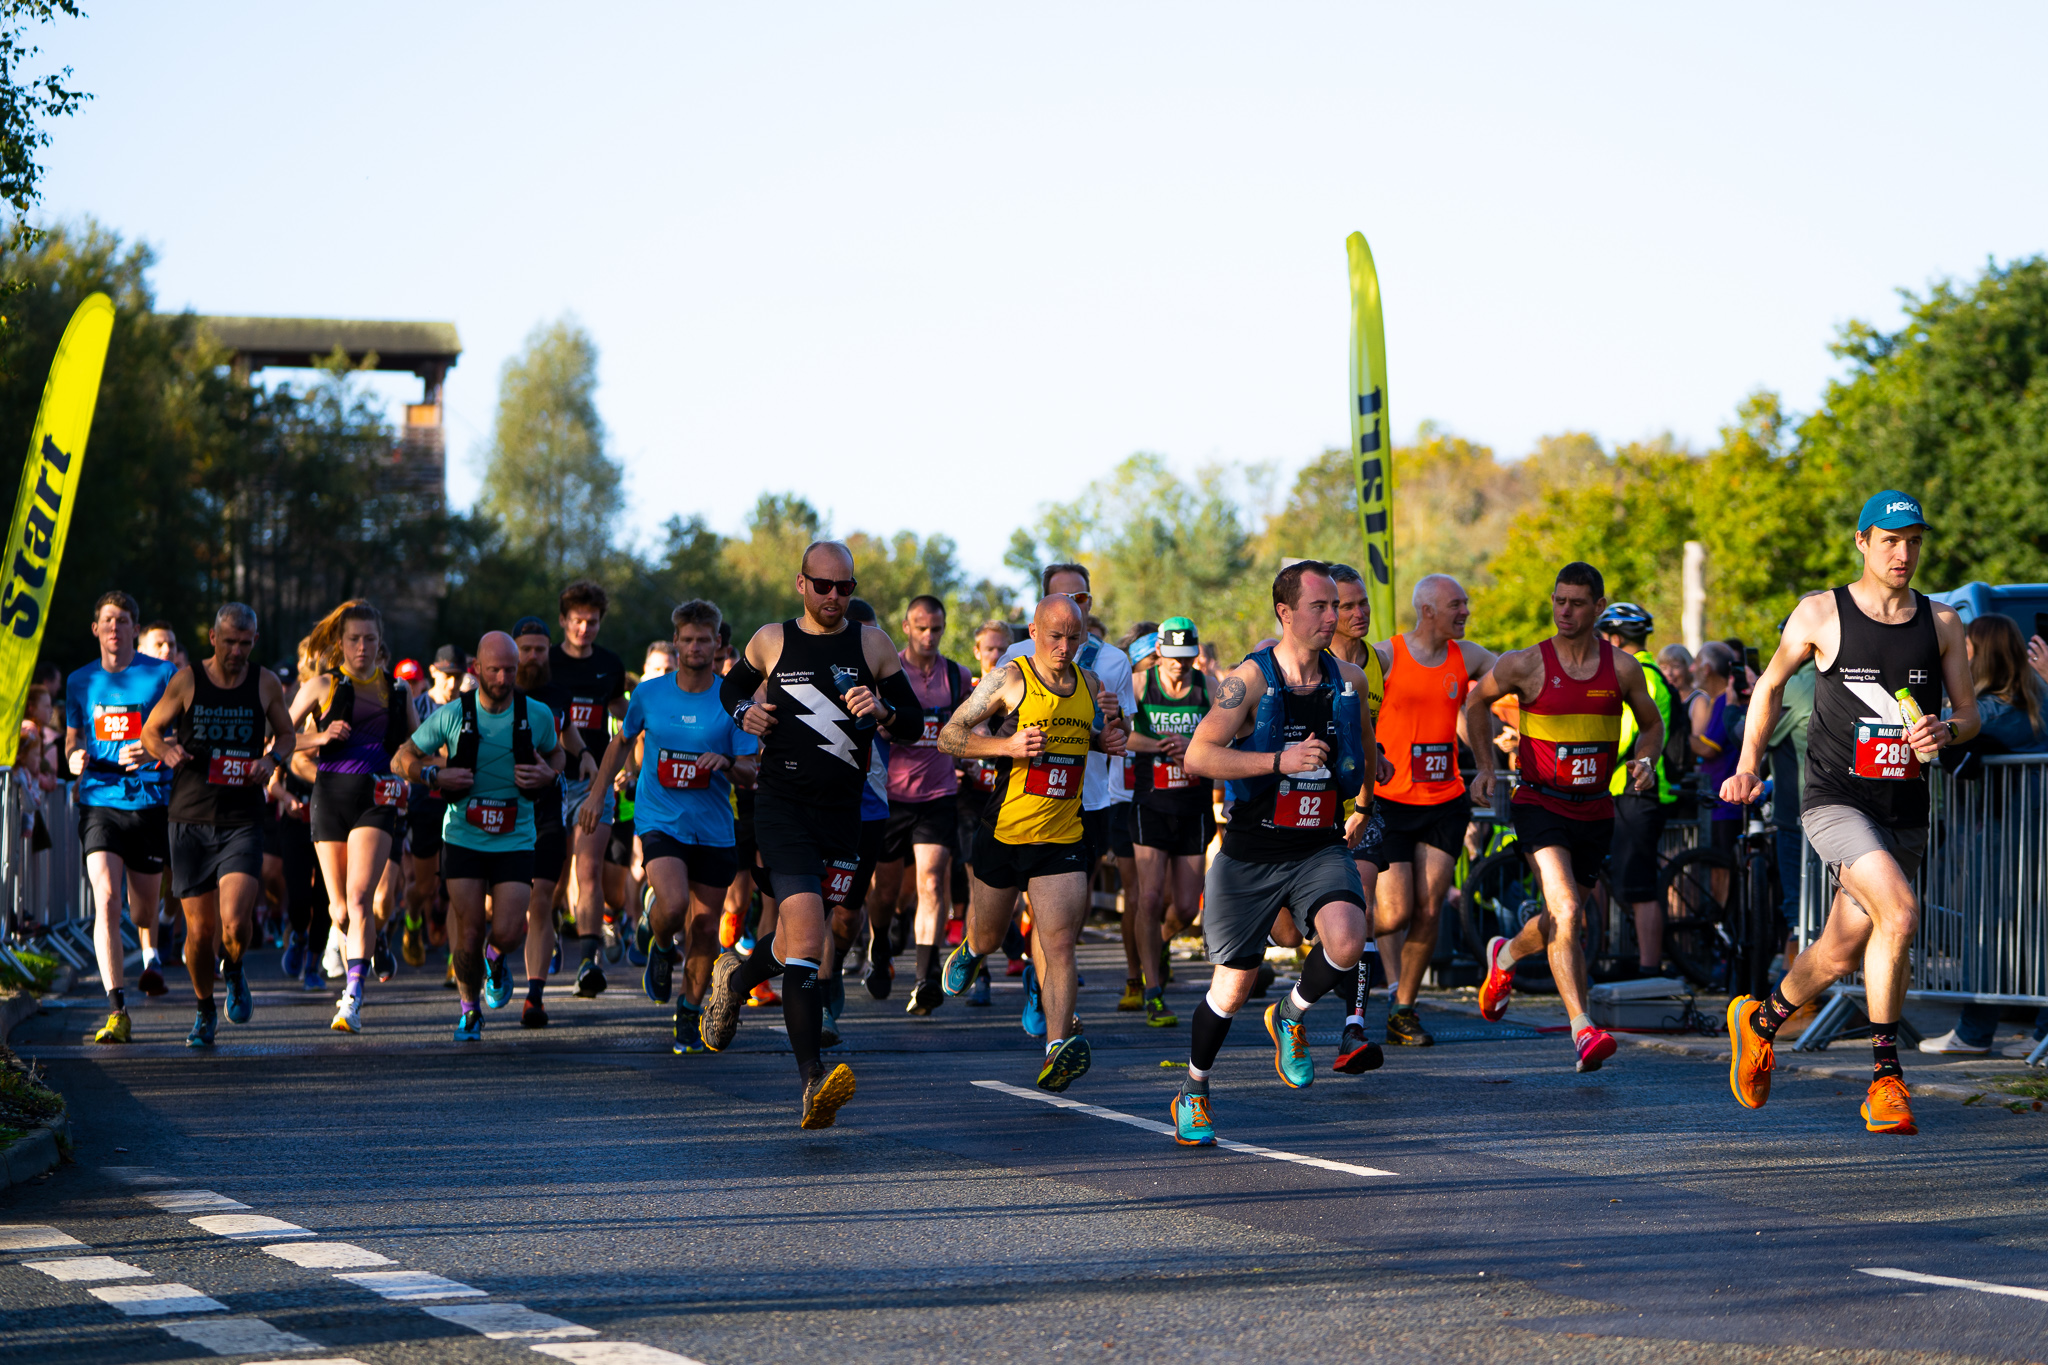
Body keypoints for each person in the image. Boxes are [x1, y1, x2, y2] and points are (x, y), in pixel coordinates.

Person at [1723, 493, 1979, 1134]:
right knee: (1901, 912)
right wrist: (1748, 762)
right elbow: (1771, 686)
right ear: (1862, 542)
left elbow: (1968, 716)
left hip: (1905, 808)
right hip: (1835, 801)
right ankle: (1887, 1078)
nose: (1904, 553)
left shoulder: (1942, 622)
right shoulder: (1819, 613)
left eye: (1914, 540)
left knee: (1840, 952)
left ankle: (1761, 1021)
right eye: (1890, 540)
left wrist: (1943, 734)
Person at [705, 540, 926, 1128]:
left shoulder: (872, 644)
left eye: (845, 588)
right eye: (823, 586)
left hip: (844, 813)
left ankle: (736, 976)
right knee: (805, 940)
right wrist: (741, 715)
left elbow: (913, 724)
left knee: (798, 942)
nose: (834, 598)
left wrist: (880, 709)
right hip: (782, 807)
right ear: (801, 584)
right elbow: (730, 689)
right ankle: (811, 1083)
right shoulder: (770, 639)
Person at [1162, 562, 1376, 1146]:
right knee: (1231, 988)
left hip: (1318, 844)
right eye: (1320, 607)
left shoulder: (1349, 679)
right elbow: (1199, 757)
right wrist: (1277, 762)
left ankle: (1291, 1014)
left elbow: (1367, 750)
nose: (1333, 617)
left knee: (1348, 938)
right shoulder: (1249, 680)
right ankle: (1194, 1088)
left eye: (1336, 605)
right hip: (1252, 849)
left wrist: (1364, 803)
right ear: (1285, 613)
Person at [1465, 562, 1664, 1073]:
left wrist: (1645, 761)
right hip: (1538, 803)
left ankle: (1505, 956)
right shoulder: (1525, 664)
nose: (1565, 611)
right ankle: (1582, 1029)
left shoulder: (1622, 669)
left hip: (1595, 808)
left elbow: (1652, 726)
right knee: (1570, 910)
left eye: (1576, 602)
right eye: (1558, 601)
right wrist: (1487, 766)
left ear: (1599, 607)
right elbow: (1475, 701)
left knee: (1560, 919)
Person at [937, 594, 1129, 1092]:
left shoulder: (1091, 684)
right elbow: (949, 736)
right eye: (1054, 636)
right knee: (989, 936)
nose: (1063, 647)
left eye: (1074, 638)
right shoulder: (1011, 678)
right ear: (1033, 630)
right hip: (1004, 831)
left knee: (1060, 944)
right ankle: (971, 951)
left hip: (1062, 836)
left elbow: (1082, 736)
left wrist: (1105, 740)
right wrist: (1005, 745)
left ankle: (1056, 1049)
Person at [584, 601, 756, 1055]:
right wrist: (598, 795)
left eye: (705, 639)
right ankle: (659, 940)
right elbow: (620, 746)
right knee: (675, 903)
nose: (696, 647)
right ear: (676, 641)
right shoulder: (649, 693)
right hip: (660, 819)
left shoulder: (732, 701)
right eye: (687, 639)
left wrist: (728, 762)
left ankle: (688, 1011)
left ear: (719, 644)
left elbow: (751, 770)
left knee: (704, 929)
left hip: (715, 827)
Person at [393, 631, 564, 1040]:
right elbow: (402, 758)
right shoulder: (454, 714)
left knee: (508, 930)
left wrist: (549, 773)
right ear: (477, 670)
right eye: (495, 670)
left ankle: (496, 958)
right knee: (468, 930)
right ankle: (469, 1009)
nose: (504, 678)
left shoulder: (535, 713)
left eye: (510, 669)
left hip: (516, 836)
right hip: (464, 835)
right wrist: (433, 774)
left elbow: (557, 753)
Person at [140, 603, 296, 1046]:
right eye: (229, 641)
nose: (237, 651)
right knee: (200, 931)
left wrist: (272, 759)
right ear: (213, 638)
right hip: (189, 818)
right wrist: (164, 751)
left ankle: (236, 966)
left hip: (242, 818)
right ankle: (205, 1008)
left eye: (245, 643)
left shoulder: (264, 682)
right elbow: (151, 730)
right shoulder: (188, 680)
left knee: (233, 923)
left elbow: (287, 734)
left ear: (255, 642)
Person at [992, 564, 1136, 1039]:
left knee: (1062, 928)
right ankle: (1007, 960)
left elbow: (1123, 733)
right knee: (1012, 921)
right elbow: (985, 725)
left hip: (1087, 801)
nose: (1074, 607)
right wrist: (1006, 741)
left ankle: (1050, 1005)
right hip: (1019, 801)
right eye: (1063, 598)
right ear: (1039, 616)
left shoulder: (1111, 662)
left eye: (1083, 598)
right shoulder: (1015, 658)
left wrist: (1112, 728)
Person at [1360, 574, 1498, 1048]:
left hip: (1445, 800)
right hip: (1393, 801)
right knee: (1394, 914)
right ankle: (1335, 936)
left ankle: (1403, 1009)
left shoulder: (1470, 656)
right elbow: (1350, 704)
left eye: (1466, 603)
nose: (1465, 612)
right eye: (1456, 605)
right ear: (1428, 611)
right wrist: (1369, 752)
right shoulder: (1386, 655)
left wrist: (1490, 761)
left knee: (1430, 907)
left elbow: (1516, 680)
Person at [1914, 613, 2047, 1055]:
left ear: (1980, 652)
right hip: (2029, 833)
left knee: (1984, 930)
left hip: (2000, 835)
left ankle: (1974, 1031)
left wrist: (1941, 727)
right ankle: (2040, 1030)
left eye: (1965, 646)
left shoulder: (1989, 713)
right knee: (2035, 930)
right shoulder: (2038, 698)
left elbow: (1957, 757)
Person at [288, 601, 415, 1034]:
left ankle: (353, 998)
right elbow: (281, 738)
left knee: (360, 898)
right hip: (330, 797)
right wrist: (320, 735)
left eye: (370, 639)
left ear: (381, 645)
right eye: (354, 639)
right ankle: (374, 943)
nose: (362, 647)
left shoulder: (396, 690)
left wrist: (423, 770)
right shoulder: (321, 685)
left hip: (375, 799)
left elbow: (415, 745)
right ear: (340, 644)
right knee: (340, 909)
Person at [65, 591, 179, 1043]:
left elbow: (180, 733)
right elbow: (74, 738)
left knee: (143, 911)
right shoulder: (80, 681)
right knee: (107, 899)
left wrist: (154, 751)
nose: (115, 627)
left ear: (136, 629)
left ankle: (154, 935)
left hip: (149, 801)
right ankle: (117, 1009)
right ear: (96, 629)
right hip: (99, 799)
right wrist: (73, 758)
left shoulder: (163, 674)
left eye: (124, 620)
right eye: (107, 620)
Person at [874, 594, 972, 1013]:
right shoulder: (888, 672)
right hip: (891, 796)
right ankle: (881, 942)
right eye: (920, 627)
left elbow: (973, 724)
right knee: (887, 892)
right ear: (906, 627)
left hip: (939, 794)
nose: (928, 636)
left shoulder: (957, 675)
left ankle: (924, 979)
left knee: (932, 882)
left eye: (935, 628)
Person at [530, 583, 628, 995]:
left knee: (588, 870)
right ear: (563, 622)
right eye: (577, 621)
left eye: (592, 621)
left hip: (593, 779)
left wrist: (625, 766)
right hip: (547, 780)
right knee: (548, 879)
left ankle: (588, 963)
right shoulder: (543, 662)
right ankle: (548, 932)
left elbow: (629, 721)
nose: (585, 628)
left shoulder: (609, 665)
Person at [1123, 616, 1211, 1028]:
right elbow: (1114, 736)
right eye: (1172, 657)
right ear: (1159, 652)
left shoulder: (1209, 686)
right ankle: (1153, 990)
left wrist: (1192, 745)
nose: (1179, 664)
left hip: (1193, 803)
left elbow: (1231, 735)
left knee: (1185, 907)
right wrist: (1160, 744)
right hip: (1151, 802)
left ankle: (1155, 944)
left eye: (1186, 657)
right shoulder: (1141, 685)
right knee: (1150, 897)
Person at [1326, 563, 1392, 1070]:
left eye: (1362, 603)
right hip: (1304, 810)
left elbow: (1367, 734)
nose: (1358, 613)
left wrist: (1377, 765)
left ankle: (1354, 1028)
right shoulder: (1303, 660)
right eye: (1347, 605)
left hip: (1361, 804)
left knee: (1362, 906)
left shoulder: (1375, 663)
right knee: (1297, 934)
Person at [511, 617, 593, 1020]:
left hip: (547, 809)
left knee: (541, 899)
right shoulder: (494, 692)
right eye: (525, 649)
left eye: (539, 649)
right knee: (503, 910)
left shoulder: (558, 694)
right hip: (498, 812)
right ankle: (494, 954)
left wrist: (586, 756)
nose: (532, 656)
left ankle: (535, 997)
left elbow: (568, 736)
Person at [1595, 602, 1679, 978]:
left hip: (1639, 792)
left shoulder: (1641, 674)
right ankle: (1604, 955)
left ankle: (1649, 969)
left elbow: (1627, 734)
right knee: (1614, 877)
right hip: (1623, 790)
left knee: (1640, 885)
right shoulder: (1644, 672)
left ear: (1614, 639)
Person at [401, 646, 464, 968]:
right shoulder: (417, 706)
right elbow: (411, 756)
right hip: (425, 802)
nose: (451, 683)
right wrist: (447, 764)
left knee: (458, 885)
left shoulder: (472, 708)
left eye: (457, 676)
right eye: (445, 675)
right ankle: (412, 919)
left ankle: (458, 958)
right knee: (424, 885)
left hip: (462, 804)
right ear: (433, 672)